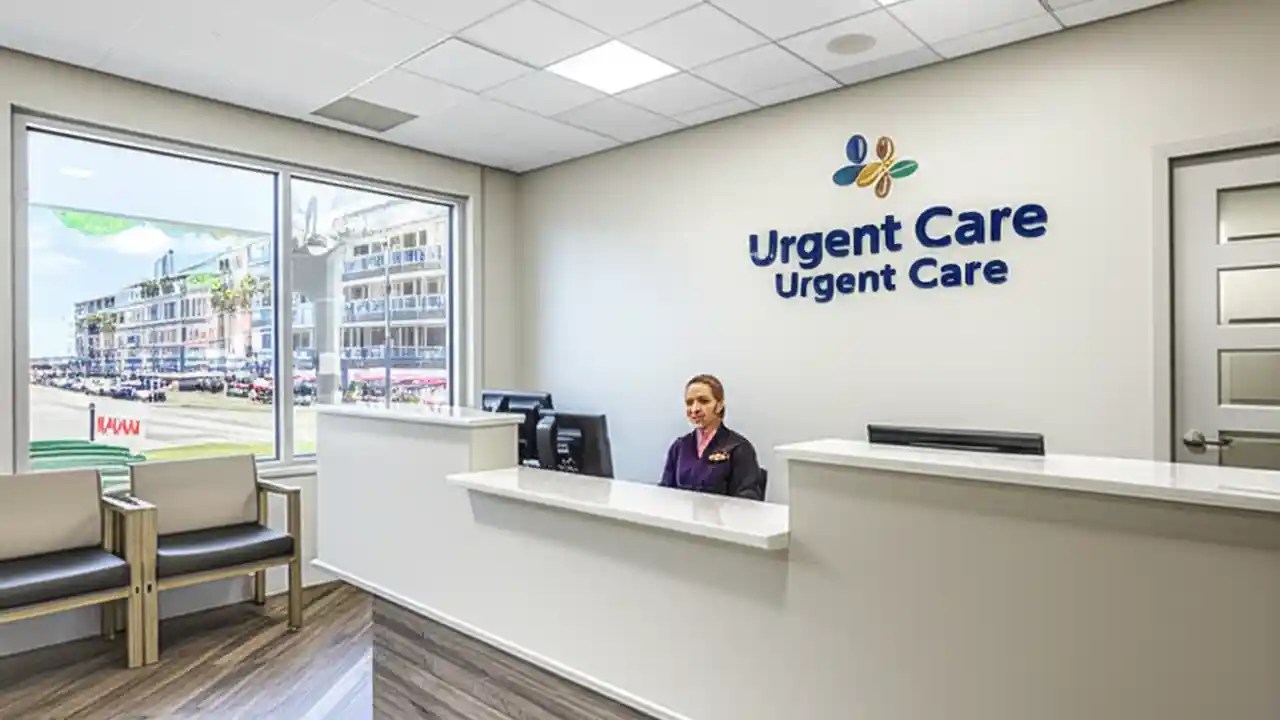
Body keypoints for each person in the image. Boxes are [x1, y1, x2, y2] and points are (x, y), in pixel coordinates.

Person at [660, 374, 765, 500]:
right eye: (689, 403)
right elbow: (665, 494)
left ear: (719, 405)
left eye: (704, 401)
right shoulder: (679, 447)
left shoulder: (739, 448)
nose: (695, 409)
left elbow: (747, 499)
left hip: (723, 513)